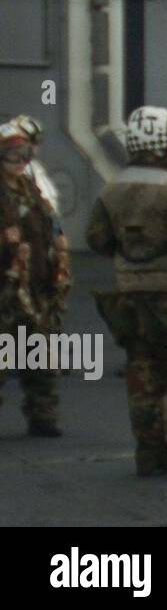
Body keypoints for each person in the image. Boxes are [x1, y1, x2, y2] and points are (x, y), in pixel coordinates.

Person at [86, 106, 167, 477]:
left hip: (129, 296)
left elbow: (96, 239)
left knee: (144, 373)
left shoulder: (110, 191)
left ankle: (149, 455)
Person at [0, 123, 61, 437]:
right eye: (12, 155)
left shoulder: (29, 188)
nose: (20, 161)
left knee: (38, 352)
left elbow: (46, 225)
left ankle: (43, 415)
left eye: (24, 154)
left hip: (33, 284)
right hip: (5, 285)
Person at [8, 115, 70, 333]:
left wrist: (56, 235)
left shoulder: (30, 176)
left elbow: (47, 209)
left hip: (36, 251)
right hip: (13, 256)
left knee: (40, 305)